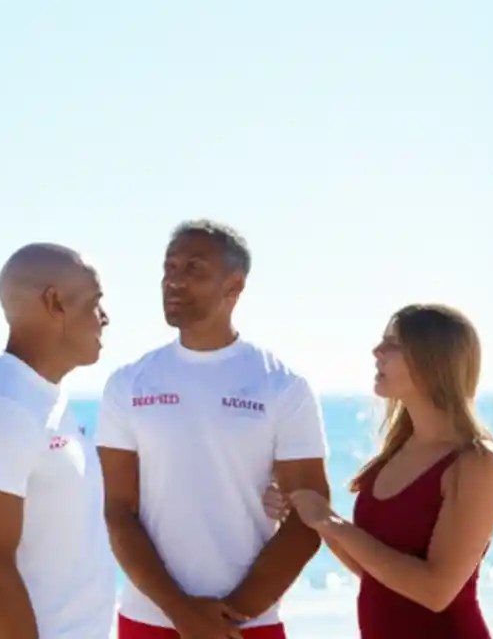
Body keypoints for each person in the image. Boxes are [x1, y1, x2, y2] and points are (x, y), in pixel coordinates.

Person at [94, 219, 331, 639]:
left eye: (193, 269)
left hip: (247, 625)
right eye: (169, 268)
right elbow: (118, 512)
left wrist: (227, 618)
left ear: (233, 286)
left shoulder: (281, 386)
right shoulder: (128, 384)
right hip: (149, 621)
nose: (174, 282)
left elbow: (307, 520)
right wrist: (182, 614)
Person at [283, 304, 493, 638]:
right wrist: (313, 517)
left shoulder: (476, 462)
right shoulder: (395, 454)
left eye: (393, 344)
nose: (377, 351)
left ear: (432, 361)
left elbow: (435, 591)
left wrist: (333, 525)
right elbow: (375, 571)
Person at [0, 243, 118, 639]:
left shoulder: (44, 396)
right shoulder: (2, 406)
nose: (105, 318)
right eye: (95, 302)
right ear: (54, 302)